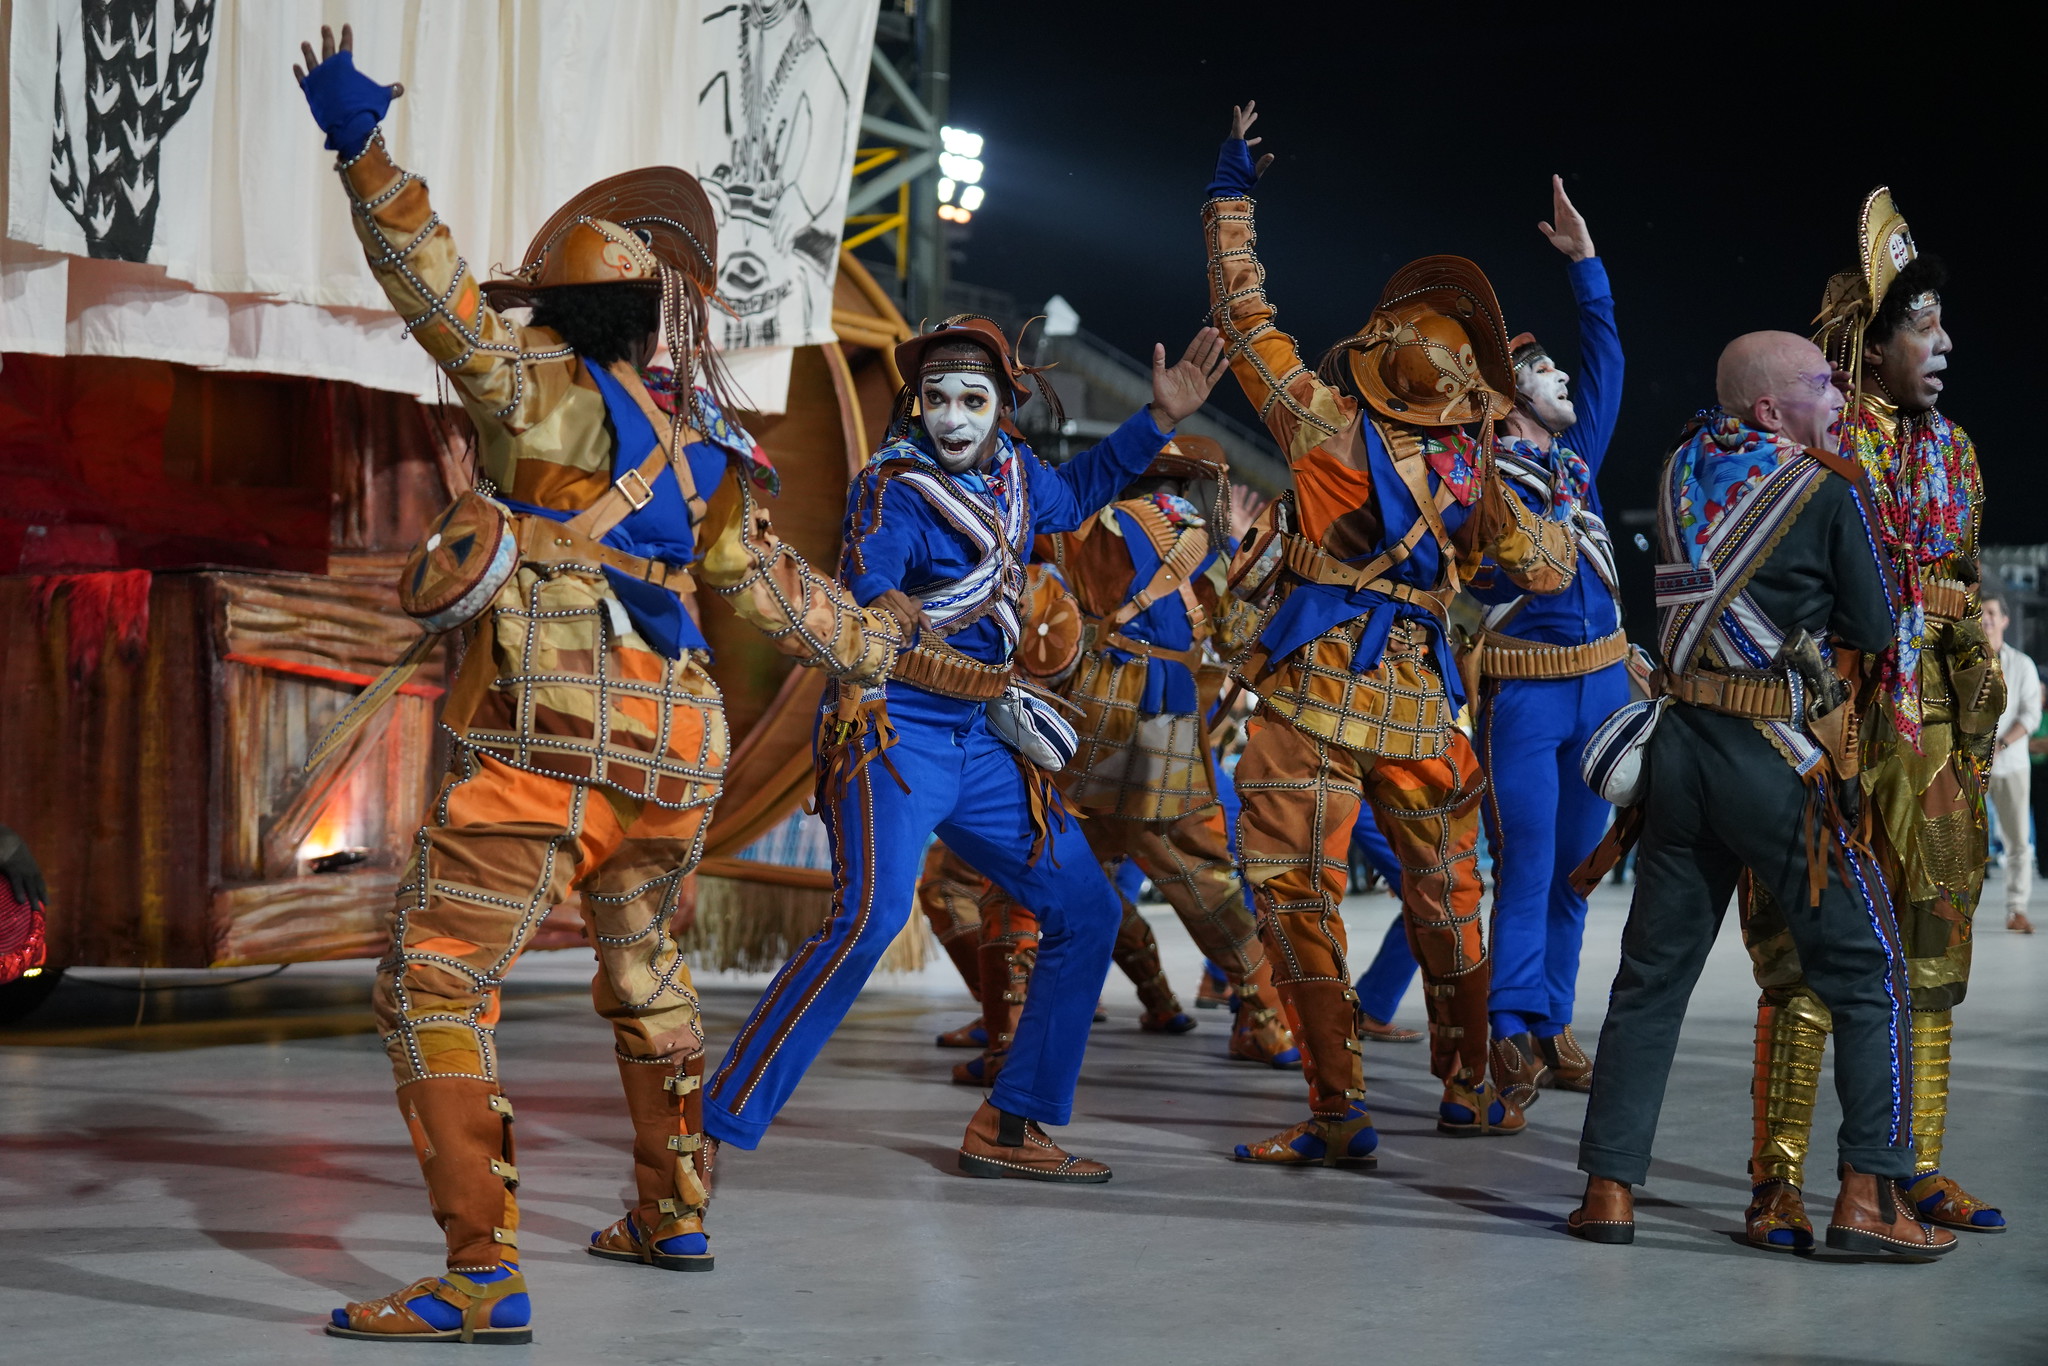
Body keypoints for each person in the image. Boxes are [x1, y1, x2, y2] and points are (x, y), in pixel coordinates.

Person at [294, 27, 906, 1344]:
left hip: (550, 730)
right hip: (678, 748)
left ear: (561, 312)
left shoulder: (536, 393)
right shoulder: (707, 451)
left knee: (433, 976)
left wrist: (364, 152)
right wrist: (891, 649)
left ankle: (480, 1271)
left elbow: (438, 293)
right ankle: (673, 1208)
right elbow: (778, 595)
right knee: (649, 976)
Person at [702, 315, 1231, 1181]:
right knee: (868, 920)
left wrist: (1157, 419)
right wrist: (879, 595)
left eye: (971, 399)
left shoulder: (1020, 479)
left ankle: (1013, 1126)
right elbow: (869, 558)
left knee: (1087, 909)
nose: (951, 416)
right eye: (937, 398)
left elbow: (1085, 487)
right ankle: (712, 1126)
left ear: (1000, 409)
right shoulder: (895, 485)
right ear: (918, 404)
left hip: (983, 735)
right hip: (896, 726)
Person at [1202, 103, 1578, 1167]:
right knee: (1447, 898)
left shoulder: (1322, 425)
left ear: (1376, 358)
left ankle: (1338, 1112)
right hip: (1420, 706)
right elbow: (1545, 569)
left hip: (1309, 698)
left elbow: (1241, 315)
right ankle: (1466, 1087)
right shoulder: (1480, 476)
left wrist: (1229, 192)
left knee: (1294, 894)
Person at [1568, 331, 1953, 1260]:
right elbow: (1871, 624)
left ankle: (1609, 1191)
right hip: (1773, 761)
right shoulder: (1826, 490)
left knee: (1651, 979)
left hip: (1679, 759)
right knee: (1869, 971)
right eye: (1822, 384)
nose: (1841, 398)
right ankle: (1868, 1196)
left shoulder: (1675, 476)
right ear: (1770, 410)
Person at [1743, 189, 2006, 1244]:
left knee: (1933, 947)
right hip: (1839, 712)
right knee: (1816, 949)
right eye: (1919, 323)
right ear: (1868, 339)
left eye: (1942, 321)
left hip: (1938, 723)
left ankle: (1912, 1168)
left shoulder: (1956, 452)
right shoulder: (1817, 440)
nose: (1940, 341)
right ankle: (1776, 1180)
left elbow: (1964, 575)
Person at [952, 436, 1297, 1084]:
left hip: (1098, 723)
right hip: (1174, 728)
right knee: (1202, 880)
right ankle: (1266, 1018)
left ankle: (1007, 1041)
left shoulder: (1097, 522)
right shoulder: (1209, 543)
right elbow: (1240, 638)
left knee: (1026, 861)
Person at [1470, 177, 1626, 1104]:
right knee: (1526, 864)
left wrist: (1587, 270)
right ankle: (1510, 1028)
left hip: (1603, 686)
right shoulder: (1478, 482)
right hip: (1526, 691)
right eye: (1539, 371)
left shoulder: (1577, 461)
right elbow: (1478, 581)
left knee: (1578, 870)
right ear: (1505, 396)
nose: (1561, 375)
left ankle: (1555, 1021)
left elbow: (1604, 363)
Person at [1982, 592, 2039, 932]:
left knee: (2017, 841)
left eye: (1992, 613)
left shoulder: (2022, 665)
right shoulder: (1967, 664)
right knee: (1962, 839)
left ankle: (2016, 909)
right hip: (1972, 765)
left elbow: (2030, 715)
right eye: (1982, 613)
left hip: (2012, 764)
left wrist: (2001, 744)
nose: (1986, 619)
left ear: (2005, 619)